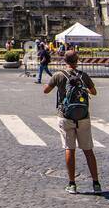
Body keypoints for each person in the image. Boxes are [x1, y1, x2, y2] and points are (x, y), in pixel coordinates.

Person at [42, 50, 100, 194]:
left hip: (65, 116)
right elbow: (94, 92)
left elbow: (46, 91)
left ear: (64, 60)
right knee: (88, 151)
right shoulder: (83, 75)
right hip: (83, 116)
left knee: (70, 149)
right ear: (77, 60)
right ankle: (96, 183)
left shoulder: (59, 75)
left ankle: (72, 184)